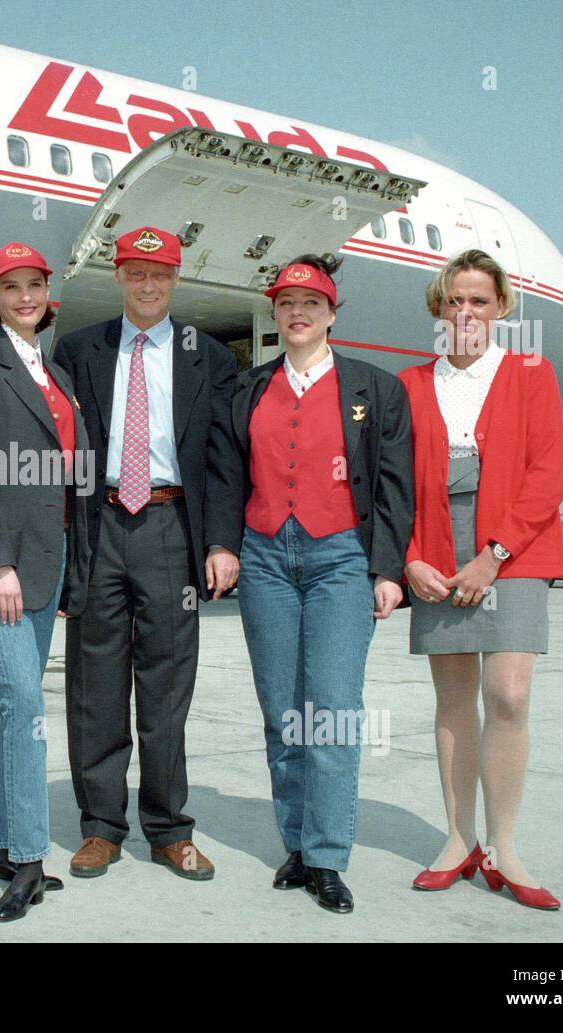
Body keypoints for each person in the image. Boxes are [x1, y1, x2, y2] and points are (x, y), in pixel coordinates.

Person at [51, 226, 243, 882]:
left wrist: (220, 542)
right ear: (119, 276)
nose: (148, 284)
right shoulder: (79, 349)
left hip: (169, 523)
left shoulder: (208, 357)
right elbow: (60, 453)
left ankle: (167, 828)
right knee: (95, 682)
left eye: (160, 274)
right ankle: (101, 826)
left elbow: (223, 462)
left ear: (176, 279)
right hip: (99, 525)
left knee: (165, 687)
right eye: (136, 272)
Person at [233, 254, 414, 914]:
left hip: (341, 556)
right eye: (286, 302)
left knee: (332, 709)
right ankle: (298, 845)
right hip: (264, 558)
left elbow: (396, 486)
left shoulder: (374, 388)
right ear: (275, 314)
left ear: (333, 314)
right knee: (285, 713)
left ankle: (330, 854)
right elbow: (228, 476)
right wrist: (224, 548)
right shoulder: (249, 389)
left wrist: (388, 570)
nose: (298, 311)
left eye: (311, 302)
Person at [400, 248, 563, 910]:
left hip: (515, 544)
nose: (465, 310)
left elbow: (547, 471)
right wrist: (411, 554)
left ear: (501, 307)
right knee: (453, 694)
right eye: (454, 300)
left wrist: (494, 552)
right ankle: (457, 839)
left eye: (478, 299)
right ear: (439, 308)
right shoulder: (411, 384)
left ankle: (504, 844)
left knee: (508, 692)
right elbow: (395, 483)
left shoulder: (532, 372)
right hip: (437, 544)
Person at [0, 242, 90, 921]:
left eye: (34, 284)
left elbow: (70, 479)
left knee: (6, 702)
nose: (25, 296)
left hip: (47, 555)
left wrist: (68, 567)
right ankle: (29, 856)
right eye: (11, 286)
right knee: (25, 704)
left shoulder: (54, 374)